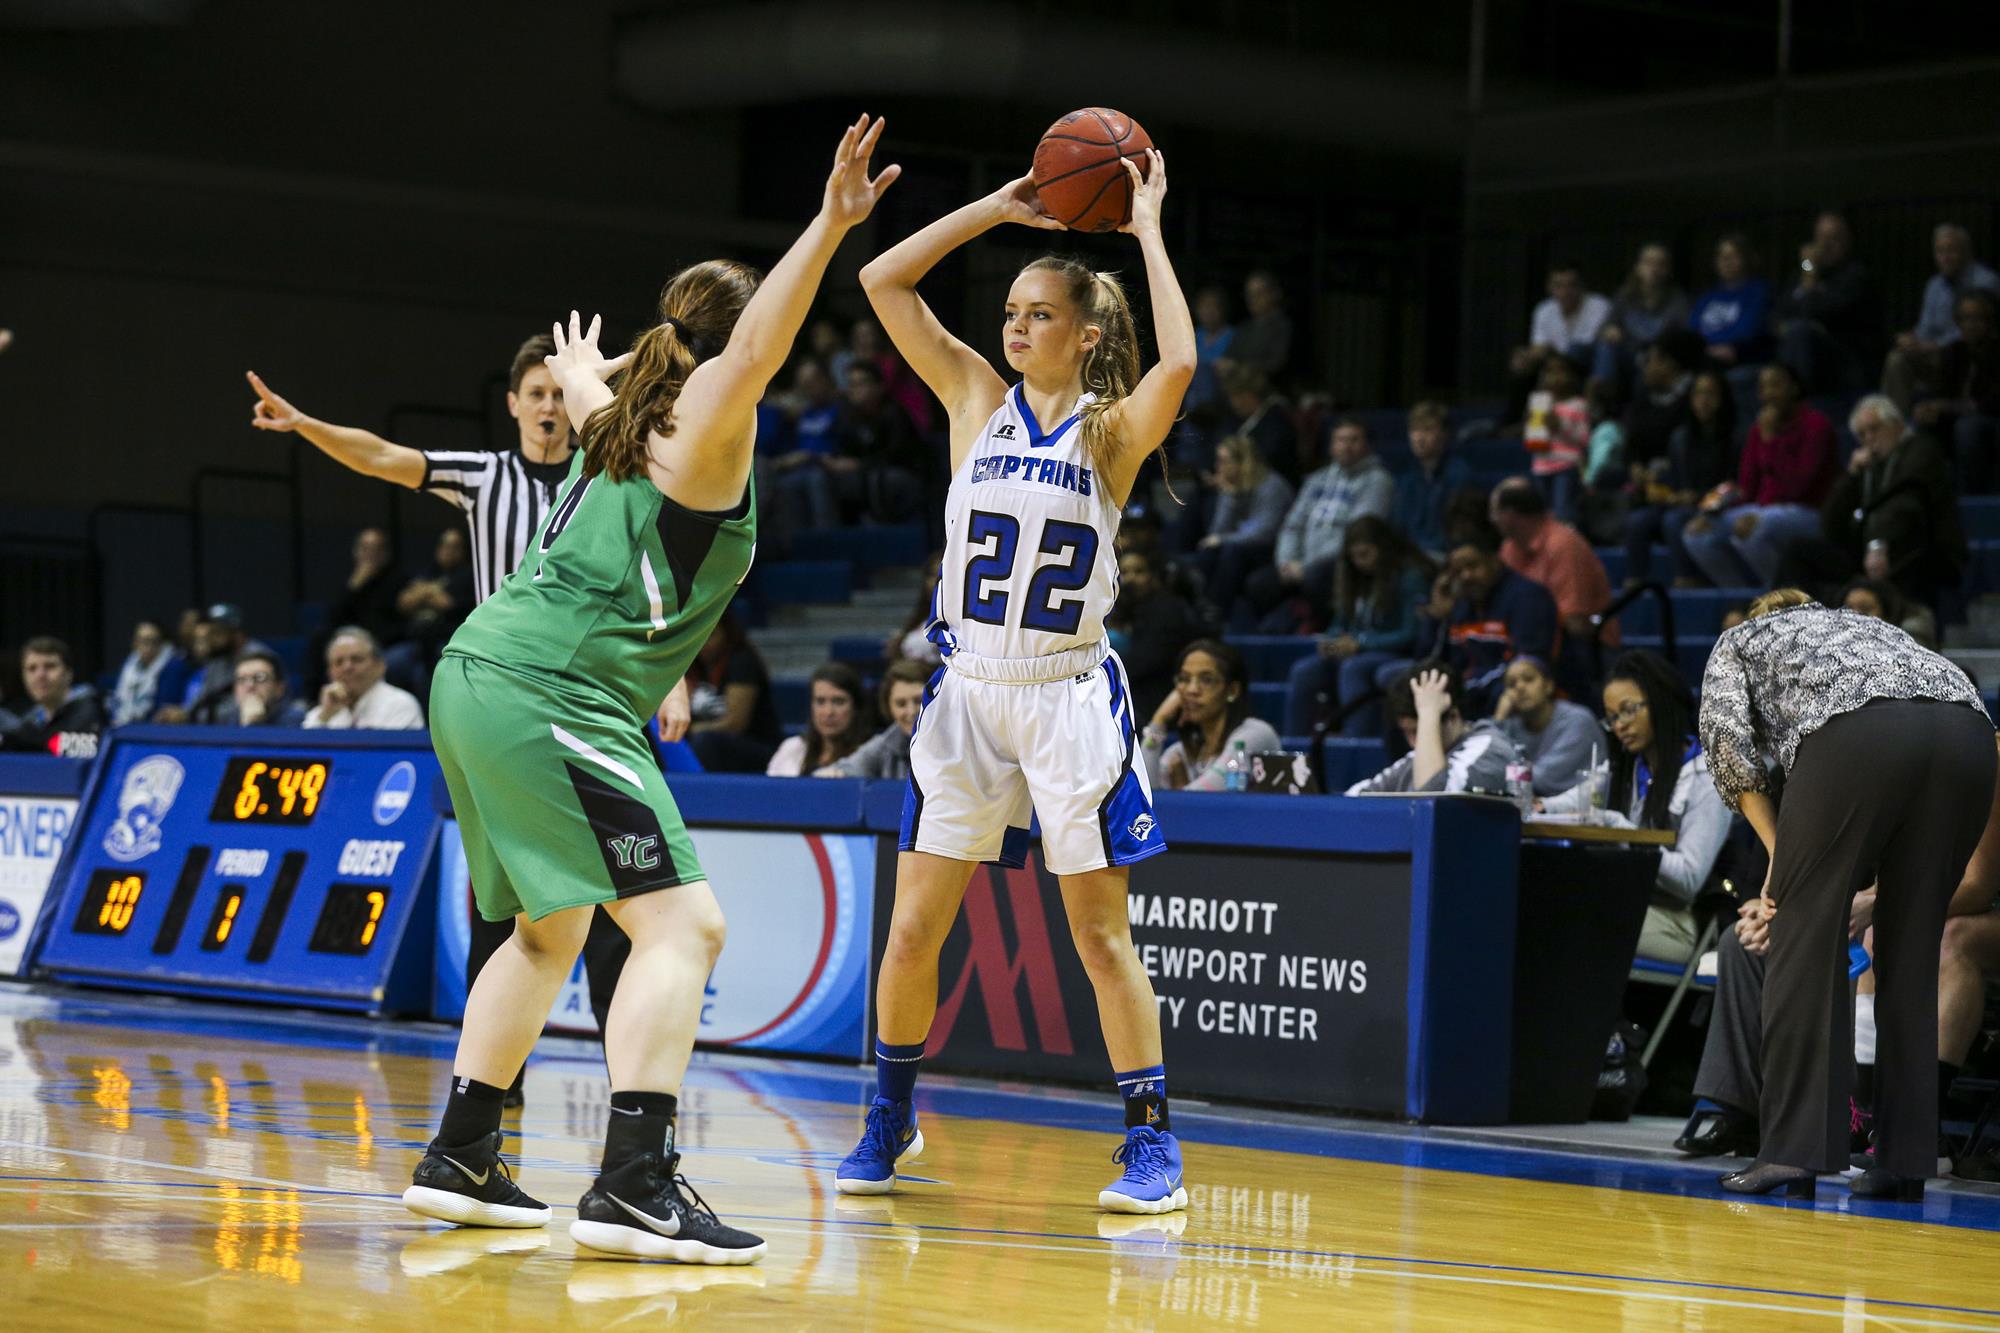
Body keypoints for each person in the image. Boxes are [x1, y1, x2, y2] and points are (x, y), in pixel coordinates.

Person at [401, 116, 897, 1264]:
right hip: (551, 692)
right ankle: (633, 1181)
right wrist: (826, 224)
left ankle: (464, 1152)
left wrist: (583, 367)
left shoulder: (616, 421)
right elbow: (761, 343)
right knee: (687, 924)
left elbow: (584, 387)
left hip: (473, 675)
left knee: (545, 928)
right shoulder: (711, 428)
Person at [842, 144, 1194, 1213]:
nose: (1013, 325)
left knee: (1096, 934)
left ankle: (1150, 1144)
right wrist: (992, 212)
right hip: (967, 694)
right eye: (1008, 310)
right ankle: (890, 1118)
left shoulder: (1109, 429)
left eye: (1036, 313)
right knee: (910, 931)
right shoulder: (969, 397)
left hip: (1064, 696)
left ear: (1086, 334)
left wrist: (1146, 233)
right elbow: (880, 280)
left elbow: (1175, 365)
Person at [1699, 589, 1994, 1200]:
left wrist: (1783, 863)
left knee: (1802, 940)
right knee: (1911, 943)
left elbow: (1730, 755)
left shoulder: (1741, 642)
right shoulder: (1864, 628)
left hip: (1858, 731)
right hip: (1970, 731)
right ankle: (1906, 1160)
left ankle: (1791, 1150)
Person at [1681, 734, 2000, 1180]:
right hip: (1897, 903)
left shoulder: (1982, 751)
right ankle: (1761, 1115)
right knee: (1746, 941)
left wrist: (1876, 905)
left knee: (1932, 935)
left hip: (1965, 913)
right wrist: (1785, 909)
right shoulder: (1870, 754)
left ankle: (1913, 1131)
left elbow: (1976, 886)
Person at [1541, 651, 1729, 961]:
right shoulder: (1624, 769)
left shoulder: (1706, 777)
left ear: (1661, 700)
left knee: (1574, 921)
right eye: (1612, 717)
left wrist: (1620, 829)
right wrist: (1530, 804)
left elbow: (1688, 879)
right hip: (1631, 903)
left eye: (1629, 710)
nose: (1620, 725)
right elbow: (1562, 806)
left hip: (1681, 920)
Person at [1777, 395, 1963, 612]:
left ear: (1897, 425)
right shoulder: (1870, 465)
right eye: (1862, 434)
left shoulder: (1921, 449)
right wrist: (1851, 476)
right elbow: (1830, 525)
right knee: (1797, 551)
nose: (1869, 438)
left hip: (1918, 551)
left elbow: (1905, 502)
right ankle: (1782, 618)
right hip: (1867, 554)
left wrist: (1878, 542)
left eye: (1874, 429)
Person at [1680, 362, 1837, 587]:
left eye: (1776, 385)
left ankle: (1783, 599)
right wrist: (1716, 511)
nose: (1768, 394)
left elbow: (1798, 487)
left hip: (1808, 511)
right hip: (1765, 509)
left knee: (1754, 527)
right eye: (1763, 388)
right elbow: (1747, 486)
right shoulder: (1758, 429)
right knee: (1696, 533)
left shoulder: (1816, 426)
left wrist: (1771, 441)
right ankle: (1744, 597)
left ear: (1793, 388)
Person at [1235, 416, 1395, 632]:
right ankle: (1290, 618)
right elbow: (1293, 525)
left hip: (1340, 561)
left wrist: (1307, 566)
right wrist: (1287, 561)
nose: (1346, 446)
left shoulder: (1378, 481)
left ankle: (1317, 624)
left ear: (1367, 445)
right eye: (1340, 440)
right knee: (1258, 582)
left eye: (1353, 440)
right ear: (1331, 445)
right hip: (1300, 563)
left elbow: (1359, 534)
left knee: (1317, 577)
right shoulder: (1317, 480)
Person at [1282, 516, 1430, 737]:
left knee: (1354, 667)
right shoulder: (1353, 579)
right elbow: (1339, 624)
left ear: (1383, 549)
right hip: (1357, 652)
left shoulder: (1408, 577)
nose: (1360, 562)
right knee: (1304, 670)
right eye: (1354, 557)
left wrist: (1360, 644)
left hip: (1394, 653)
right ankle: (1294, 746)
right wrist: (1331, 642)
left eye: (1365, 554)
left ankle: (1355, 743)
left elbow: (1410, 634)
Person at [1398, 529, 1559, 719]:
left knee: (1505, 690)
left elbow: (1526, 663)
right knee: (1404, 689)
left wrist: (1465, 688)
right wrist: (1438, 618)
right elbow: (1429, 662)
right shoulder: (1459, 604)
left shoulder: (1528, 597)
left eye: (1473, 566)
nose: (1466, 576)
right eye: (1458, 571)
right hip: (1471, 692)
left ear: (1494, 561)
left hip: (1505, 693)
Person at [1489, 478, 1616, 688]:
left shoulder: (1563, 545)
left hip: (1584, 646)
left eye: (1494, 512)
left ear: (1510, 515)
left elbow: (1575, 621)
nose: (1491, 519)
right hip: (1531, 642)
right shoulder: (1509, 548)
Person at [1623, 367, 1736, 587]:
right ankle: (1634, 584)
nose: (1704, 401)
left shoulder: (1734, 437)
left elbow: (1735, 484)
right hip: (1680, 503)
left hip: (1715, 508)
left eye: (1710, 394)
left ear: (1723, 399)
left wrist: (1698, 498)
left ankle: (1687, 581)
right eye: (1698, 394)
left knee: (1673, 520)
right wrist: (1658, 488)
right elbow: (1673, 477)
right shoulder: (1680, 437)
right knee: (1637, 521)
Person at [1344, 662, 1521, 795]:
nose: (1414, 743)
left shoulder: (1492, 749)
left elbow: (1432, 796)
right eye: (1407, 732)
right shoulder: (1422, 756)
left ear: (1452, 717)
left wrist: (1429, 713)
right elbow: (1356, 796)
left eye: (1418, 731)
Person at [1882, 224, 2000, 412]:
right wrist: (1912, 340)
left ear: (1967, 252)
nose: (1945, 257)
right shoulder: (1934, 285)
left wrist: (1937, 345)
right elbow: (1925, 328)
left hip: (1971, 359)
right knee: (1897, 359)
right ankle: (1895, 427)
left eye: (1951, 250)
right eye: (1940, 251)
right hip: (1936, 356)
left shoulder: (1986, 281)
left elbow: (1982, 331)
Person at [1143, 639, 1280, 791]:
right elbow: (1142, 795)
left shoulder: (1255, 735)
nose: (1192, 690)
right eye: (1184, 679)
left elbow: (1206, 798)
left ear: (1232, 691)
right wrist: (1158, 722)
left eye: (1206, 680)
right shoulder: (1180, 752)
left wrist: (1179, 789)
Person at [1775, 211, 1885, 396]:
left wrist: (1809, 270)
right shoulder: (1800, 275)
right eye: (1821, 238)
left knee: (1800, 332)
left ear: (1848, 242)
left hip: (1844, 359)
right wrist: (1807, 269)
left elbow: (1814, 311)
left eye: (1834, 238)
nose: (1825, 245)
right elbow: (1780, 311)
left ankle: (1798, 404)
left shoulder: (1855, 276)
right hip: (1803, 352)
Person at [1192, 434, 1294, 618]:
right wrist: (1228, 496)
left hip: (1271, 549)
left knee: (1231, 550)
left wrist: (1223, 540)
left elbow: (1265, 531)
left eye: (1224, 461)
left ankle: (1217, 611)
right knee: (1209, 551)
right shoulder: (1233, 487)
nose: (1218, 467)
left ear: (1243, 462)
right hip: (1240, 546)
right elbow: (1217, 532)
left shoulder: (1272, 486)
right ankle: (1198, 608)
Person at [1107, 548, 1209, 722]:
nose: (1130, 578)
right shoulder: (1119, 607)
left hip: (1156, 695)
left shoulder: (1168, 610)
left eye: (1139, 571)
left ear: (1154, 576)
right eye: (1124, 572)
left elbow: (1145, 661)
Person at [1509, 261, 1612, 426]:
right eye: (1559, 286)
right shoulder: (1544, 310)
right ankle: (1524, 426)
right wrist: (1527, 357)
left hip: (1585, 367)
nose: (1565, 292)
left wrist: (1551, 357)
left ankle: (1588, 414)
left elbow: (1588, 346)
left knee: (1569, 357)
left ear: (1581, 287)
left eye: (1571, 286)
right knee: (1525, 368)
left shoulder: (1599, 306)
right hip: (1554, 365)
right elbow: (1539, 347)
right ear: (1550, 288)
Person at [1919, 290, 2000, 493]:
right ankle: (1928, 495)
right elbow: (1938, 391)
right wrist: (1926, 407)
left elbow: (1993, 402)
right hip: (1954, 417)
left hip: (1989, 418)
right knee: (1921, 424)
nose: (1970, 325)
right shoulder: (1954, 351)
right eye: (1964, 318)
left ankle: (1972, 498)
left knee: (1968, 428)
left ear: (1990, 321)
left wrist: (1948, 407)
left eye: (1977, 318)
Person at [684, 610, 783, 772]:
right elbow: (680, 713)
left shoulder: (742, 661)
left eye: (710, 635)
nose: (703, 642)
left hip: (755, 745)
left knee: (705, 741)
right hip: (705, 740)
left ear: (727, 633)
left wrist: (692, 730)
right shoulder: (690, 664)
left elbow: (735, 723)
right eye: (698, 635)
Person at [832, 359, 926, 522]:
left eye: (860, 383)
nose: (854, 390)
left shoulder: (894, 414)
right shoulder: (849, 416)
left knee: (878, 479)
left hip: (906, 474)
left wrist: (859, 464)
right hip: (868, 473)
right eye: (851, 384)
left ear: (879, 387)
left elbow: (897, 456)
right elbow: (845, 450)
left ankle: (881, 527)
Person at [1492, 655, 1600, 796]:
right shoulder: (1510, 725)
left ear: (1548, 686)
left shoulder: (1578, 721)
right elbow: (1485, 764)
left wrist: (1496, 774)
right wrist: (1499, 719)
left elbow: (1541, 780)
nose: (1519, 687)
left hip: (1583, 811)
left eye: (1528, 679)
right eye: (1511, 684)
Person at [1594, 243, 1690, 392]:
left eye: (1660, 264)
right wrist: (1610, 330)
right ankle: (1601, 394)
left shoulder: (1678, 301)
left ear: (1668, 270)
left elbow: (1683, 337)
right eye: (1648, 263)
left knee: (1649, 366)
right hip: (1628, 353)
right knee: (1605, 347)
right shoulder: (1625, 296)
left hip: (1656, 357)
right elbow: (1603, 329)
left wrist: (1659, 353)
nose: (1654, 269)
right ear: (1638, 267)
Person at [818, 660, 929, 780]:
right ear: (889, 708)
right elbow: (844, 769)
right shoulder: (885, 745)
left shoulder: (952, 735)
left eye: (918, 701)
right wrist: (834, 774)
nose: (911, 711)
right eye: (901, 704)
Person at [1389, 401, 1472, 559]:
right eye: (1414, 430)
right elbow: (1399, 526)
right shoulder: (1407, 476)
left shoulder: (1459, 474)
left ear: (1445, 434)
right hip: (1409, 555)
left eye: (1428, 430)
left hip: (1442, 555)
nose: (1419, 438)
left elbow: (1457, 532)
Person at [1, 638, 106, 757]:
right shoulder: (30, 721)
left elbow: (93, 748)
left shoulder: (92, 710)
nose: (40, 675)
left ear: (68, 674)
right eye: (32, 669)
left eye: (50, 666)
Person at [303, 627, 424, 729]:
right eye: (338, 662)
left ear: (380, 666)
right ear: (329, 672)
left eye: (356, 659)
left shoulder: (401, 704)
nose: (347, 667)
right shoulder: (321, 712)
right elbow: (304, 753)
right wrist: (325, 716)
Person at [765, 663, 872, 776]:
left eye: (839, 702)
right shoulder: (792, 749)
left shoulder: (872, 755)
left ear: (856, 707)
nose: (828, 712)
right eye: (820, 701)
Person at [1690, 232, 1772, 370]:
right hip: (1704, 354)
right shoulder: (1708, 296)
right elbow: (1692, 329)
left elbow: (1747, 331)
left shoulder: (1758, 292)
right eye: (1721, 256)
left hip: (1738, 356)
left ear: (1746, 259)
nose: (1726, 261)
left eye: (1733, 256)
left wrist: (1714, 347)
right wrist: (1706, 349)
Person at [1526, 352, 1590, 524]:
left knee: (1563, 514)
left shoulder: (1578, 404)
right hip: (1541, 467)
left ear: (1571, 376)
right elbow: (1534, 444)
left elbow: (1583, 439)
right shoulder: (1539, 403)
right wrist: (1533, 427)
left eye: (1560, 371)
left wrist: (1559, 426)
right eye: (1549, 372)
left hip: (1566, 466)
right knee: (1542, 516)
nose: (1554, 377)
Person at [107, 618, 186, 727]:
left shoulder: (173, 667)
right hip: (124, 727)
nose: (147, 647)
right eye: (142, 641)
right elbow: (117, 701)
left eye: (153, 642)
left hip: (154, 731)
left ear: (161, 644)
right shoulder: (129, 664)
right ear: (134, 644)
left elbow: (163, 710)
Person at [212, 649, 308, 727]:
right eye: (241, 679)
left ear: (279, 689)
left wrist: (253, 724)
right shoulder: (225, 720)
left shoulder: (297, 721)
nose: (249, 685)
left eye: (260, 678)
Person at [1229, 269, 1292, 382]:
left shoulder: (1284, 327)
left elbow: (1277, 365)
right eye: (1250, 294)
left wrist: (1244, 368)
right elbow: (1231, 356)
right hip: (1240, 388)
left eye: (1259, 293)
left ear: (1275, 293)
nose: (1253, 299)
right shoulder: (1244, 328)